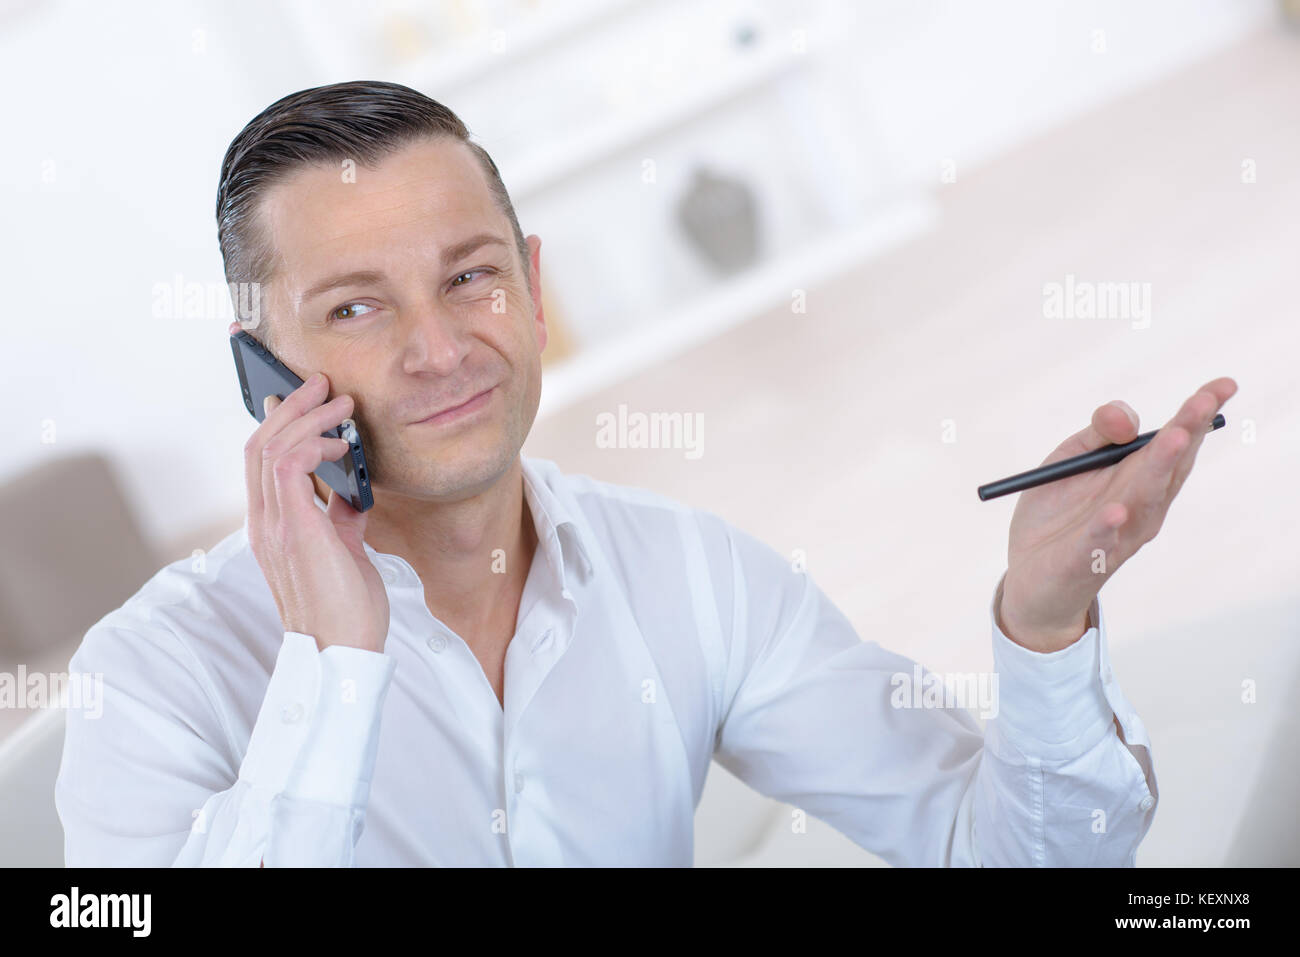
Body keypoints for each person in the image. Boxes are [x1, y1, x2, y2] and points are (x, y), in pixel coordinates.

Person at [55, 80, 1236, 866]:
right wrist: (331, 666)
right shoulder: (152, 678)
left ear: (530, 290)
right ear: (265, 373)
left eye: (469, 277)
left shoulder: (691, 576)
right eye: (357, 307)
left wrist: (1044, 626)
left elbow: (1016, 855)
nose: (440, 350)